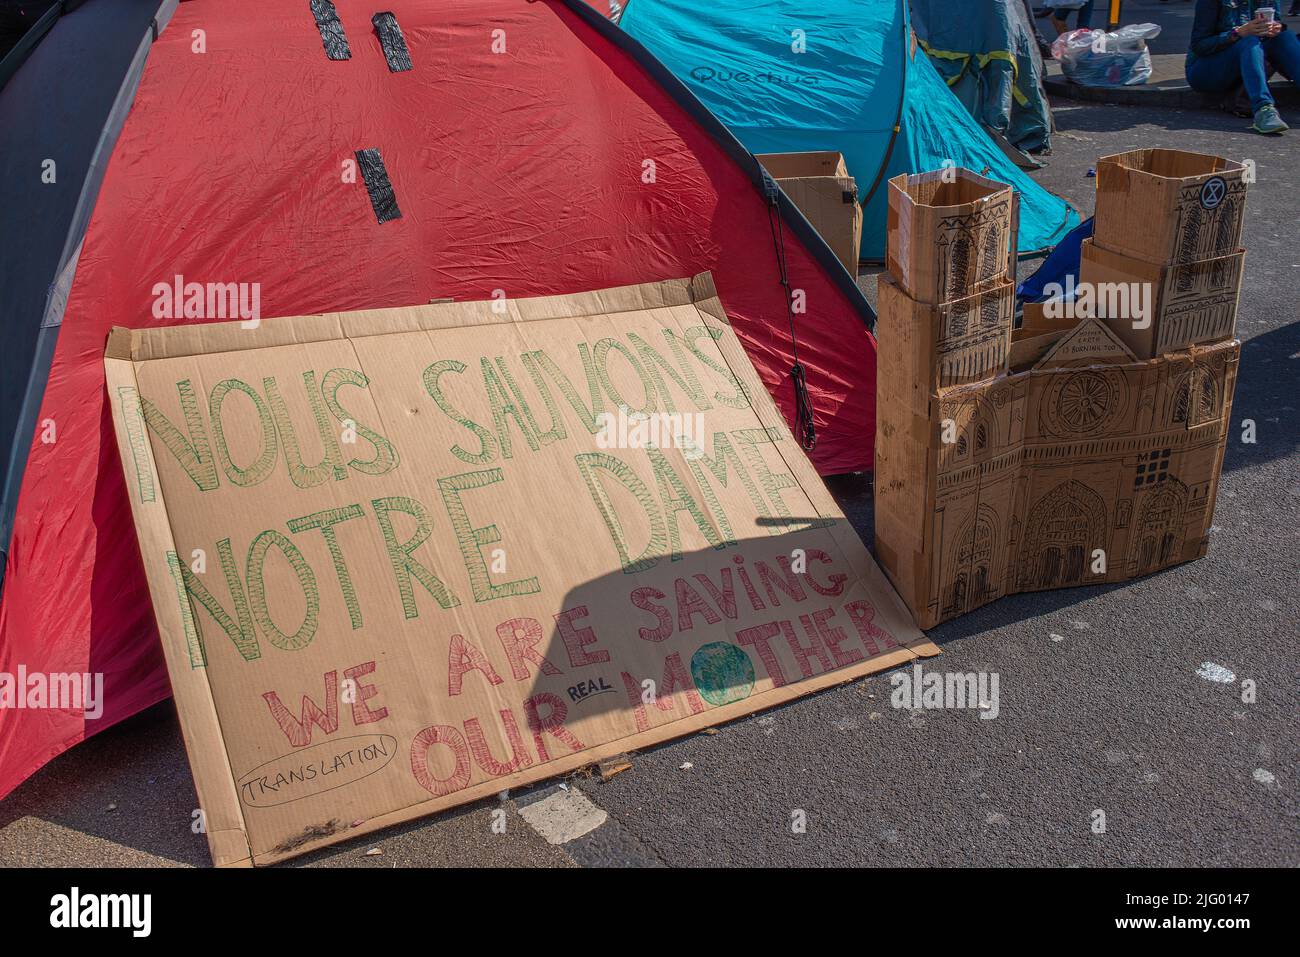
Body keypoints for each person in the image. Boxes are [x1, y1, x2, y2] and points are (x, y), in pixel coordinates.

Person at [1186, 1, 1300, 133]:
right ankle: (1264, 109)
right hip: (1205, 71)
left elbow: (1277, 24)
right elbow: (1199, 45)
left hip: (1248, 61)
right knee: (1249, 40)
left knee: (1285, 37)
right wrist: (1237, 33)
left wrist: (1276, 28)